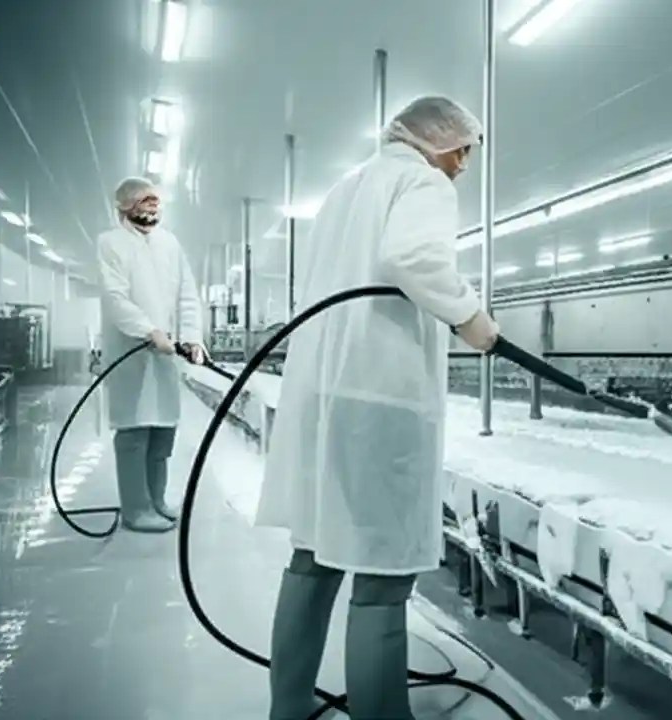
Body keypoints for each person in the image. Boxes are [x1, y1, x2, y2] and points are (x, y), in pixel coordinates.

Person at [256, 96, 500, 720]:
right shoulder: (422, 180)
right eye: (463, 148)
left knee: (314, 551)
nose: (464, 164)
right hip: (381, 398)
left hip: (324, 390)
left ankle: (287, 708)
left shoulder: (347, 187)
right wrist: (470, 317)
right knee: (383, 570)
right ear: (438, 140)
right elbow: (413, 258)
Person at [97, 177, 207, 533]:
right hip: (130, 351)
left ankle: (156, 500)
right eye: (145, 201)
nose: (152, 208)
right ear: (126, 207)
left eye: (156, 202)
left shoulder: (169, 244)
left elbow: (187, 294)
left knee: (162, 429)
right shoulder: (110, 244)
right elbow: (115, 297)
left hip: (165, 354)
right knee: (134, 430)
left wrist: (191, 337)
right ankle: (136, 508)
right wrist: (149, 329)